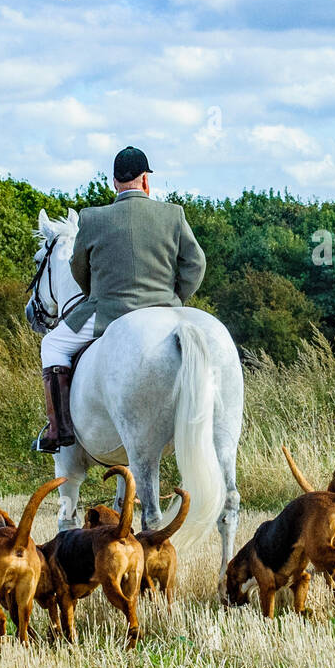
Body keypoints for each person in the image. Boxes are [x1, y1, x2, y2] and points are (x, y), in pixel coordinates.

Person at [34, 146, 207, 452]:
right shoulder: (173, 214)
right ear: (145, 181)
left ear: (113, 183)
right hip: (164, 310)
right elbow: (196, 264)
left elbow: (79, 269)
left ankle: (58, 429)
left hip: (106, 312)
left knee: (52, 344)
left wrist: (96, 295)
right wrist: (173, 297)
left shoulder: (91, 218)